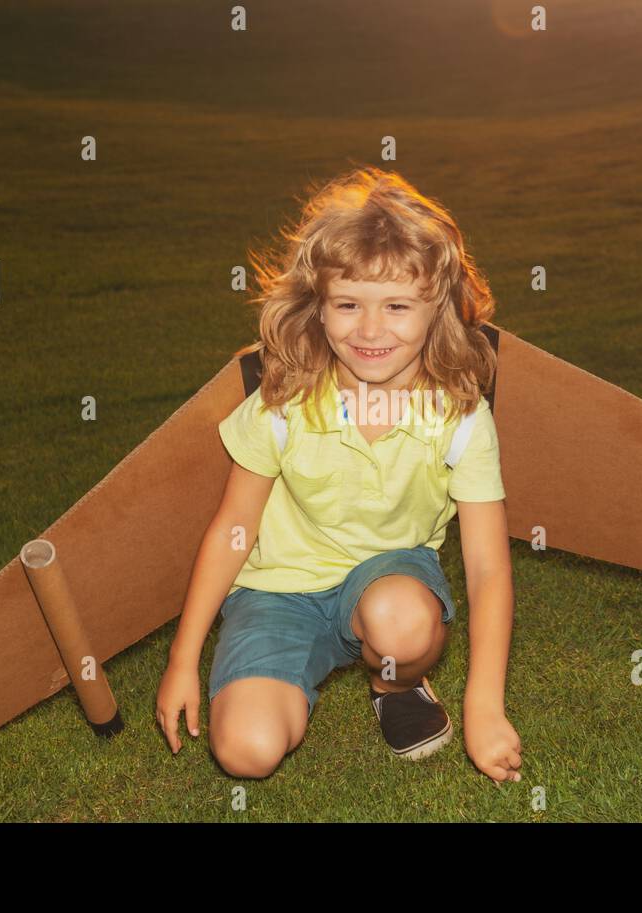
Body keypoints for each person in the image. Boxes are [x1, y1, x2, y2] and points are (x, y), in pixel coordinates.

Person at [156, 166, 522, 784]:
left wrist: (484, 705)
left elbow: (488, 568)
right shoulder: (283, 402)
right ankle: (293, 667)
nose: (371, 330)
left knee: (400, 620)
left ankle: (394, 682)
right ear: (317, 310)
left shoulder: (459, 415)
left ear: (439, 312)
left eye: (398, 306)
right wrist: (181, 656)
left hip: (386, 583)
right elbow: (234, 529)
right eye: (348, 304)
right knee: (247, 751)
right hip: (278, 591)